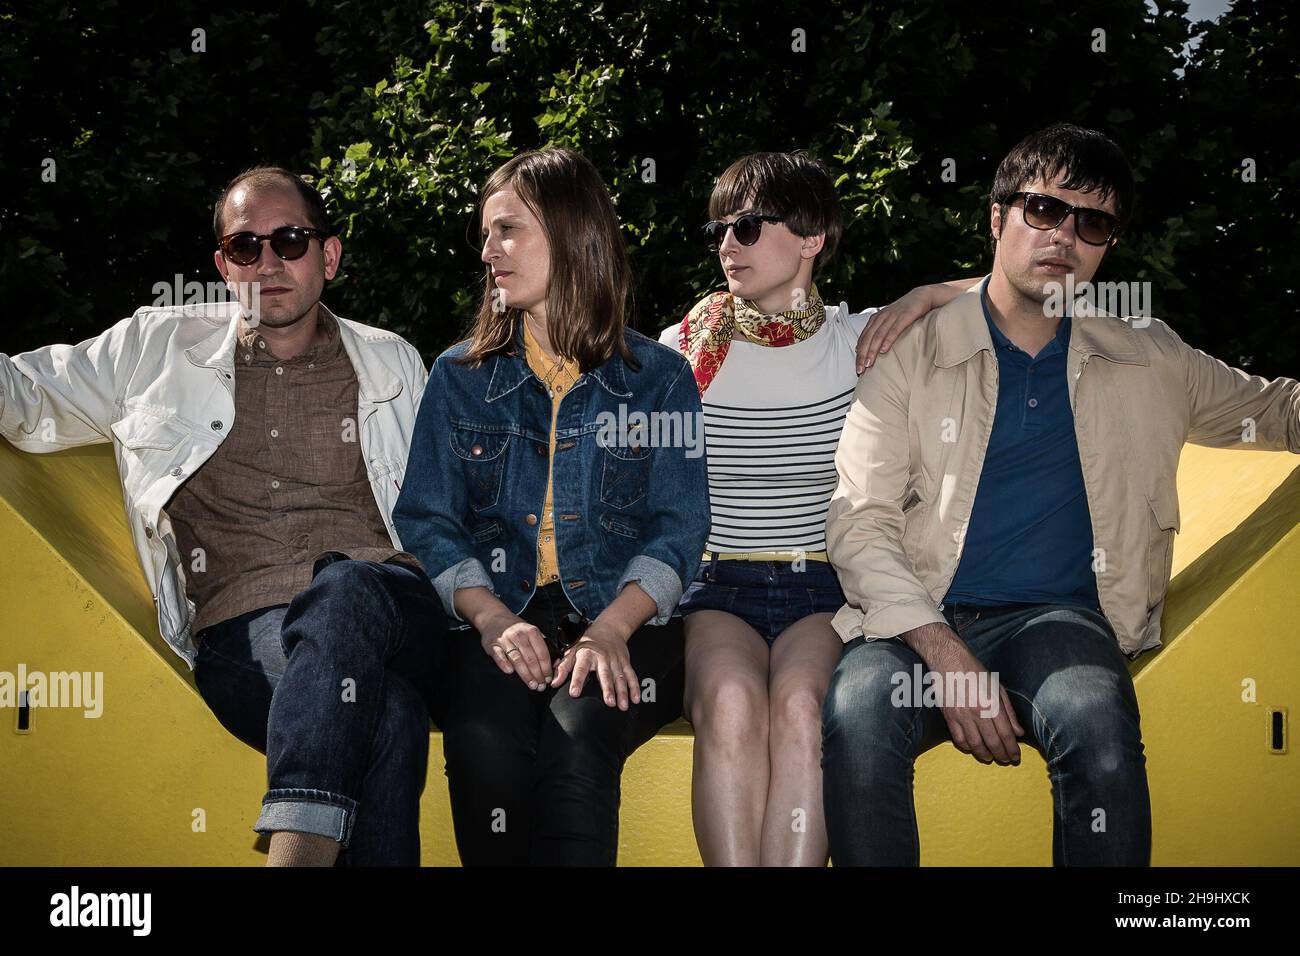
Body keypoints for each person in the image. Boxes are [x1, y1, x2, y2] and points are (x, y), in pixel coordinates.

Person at [822, 122, 1300, 865]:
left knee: (1097, 718)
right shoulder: (912, 353)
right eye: (1044, 210)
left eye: (1093, 222)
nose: (1064, 236)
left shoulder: (1150, 355)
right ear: (997, 217)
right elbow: (860, 525)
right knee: (857, 713)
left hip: (1059, 621)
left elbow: (1276, 411)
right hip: (917, 616)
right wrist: (945, 655)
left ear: (1109, 245)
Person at [0, 167, 445, 866]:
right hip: (246, 636)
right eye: (245, 248)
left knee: (347, 586)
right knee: (387, 715)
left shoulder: (392, 363)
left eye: (289, 240)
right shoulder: (152, 350)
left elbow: (445, 514)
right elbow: (24, 395)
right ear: (221, 266)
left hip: (391, 608)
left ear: (327, 255)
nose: (267, 263)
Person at [393, 147, 710, 866]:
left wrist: (608, 633)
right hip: (498, 613)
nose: (488, 251)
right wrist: (493, 619)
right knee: (483, 742)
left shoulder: (658, 380)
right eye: (485, 234)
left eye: (507, 230)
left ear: (571, 233)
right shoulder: (460, 375)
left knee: (575, 746)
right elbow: (428, 518)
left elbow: (678, 528)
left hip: (628, 617)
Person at [660, 151, 977, 865]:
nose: (725, 245)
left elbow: (1038, 292)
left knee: (805, 712)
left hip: (825, 587)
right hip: (719, 584)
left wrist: (928, 293)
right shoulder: (682, 351)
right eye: (718, 229)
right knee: (733, 706)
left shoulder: (866, 341)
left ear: (811, 238)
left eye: (746, 227)